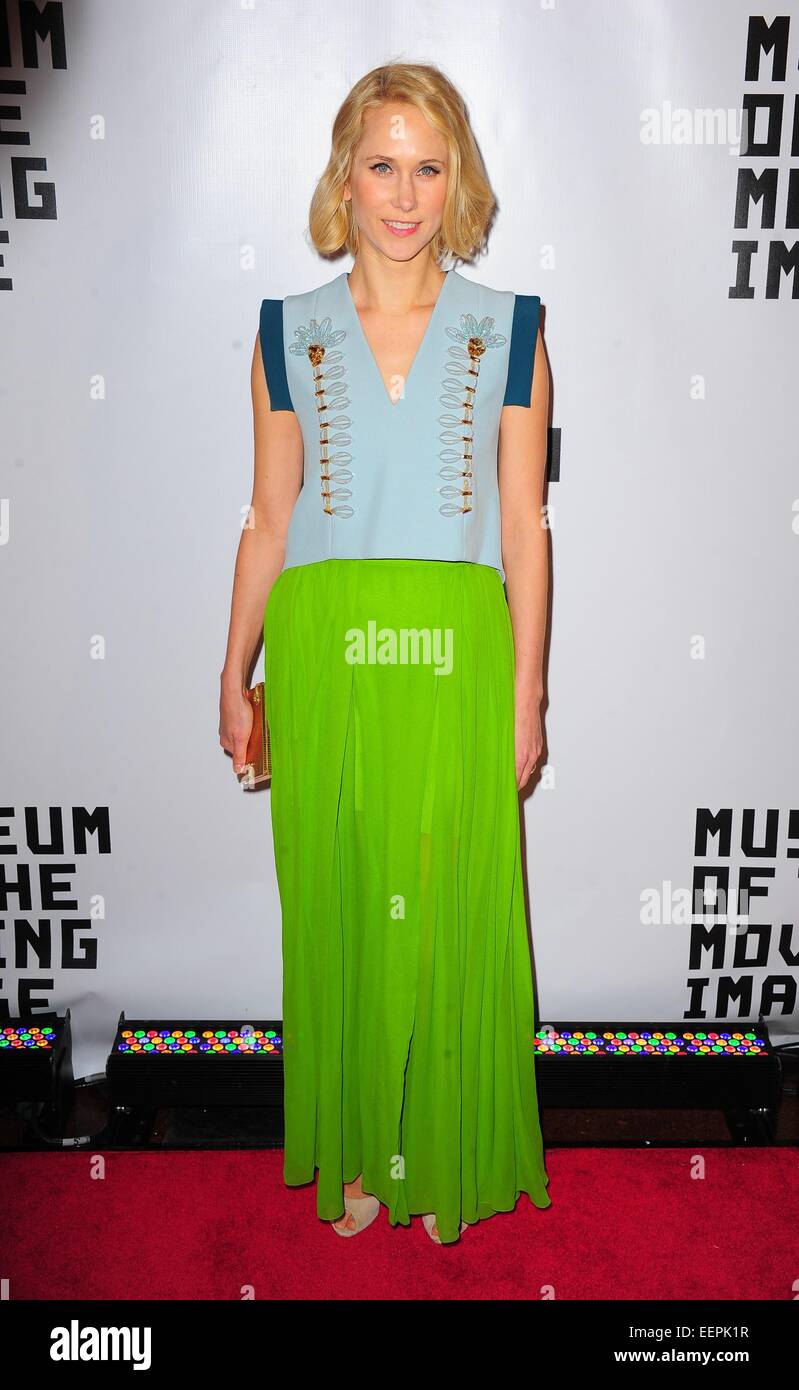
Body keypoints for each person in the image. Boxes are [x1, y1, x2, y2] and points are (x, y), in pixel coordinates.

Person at [219, 61, 551, 1245]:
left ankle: (440, 1150)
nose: (403, 194)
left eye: (426, 164)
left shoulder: (509, 329)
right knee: (349, 898)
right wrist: (233, 670)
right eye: (380, 165)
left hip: (457, 652)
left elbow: (522, 528)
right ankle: (364, 1149)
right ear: (343, 179)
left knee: (446, 900)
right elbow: (268, 516)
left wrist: (527, 695)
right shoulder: (285, 332)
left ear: (453, 175)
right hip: (327, 654)